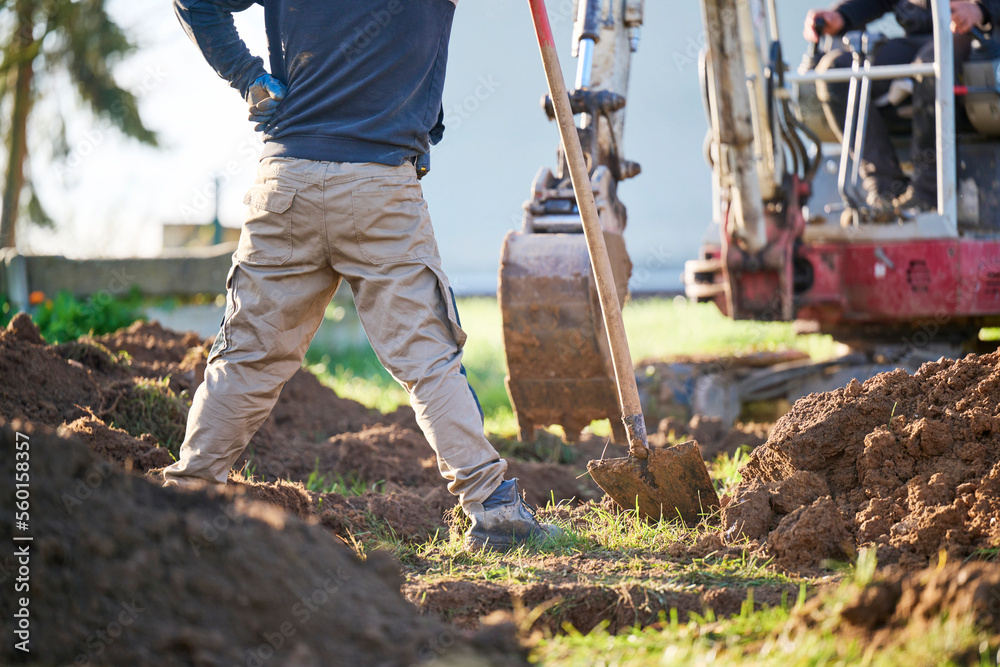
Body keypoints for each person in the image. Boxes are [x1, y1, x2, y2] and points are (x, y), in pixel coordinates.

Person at [162, 0, 559, 552]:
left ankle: (185, 498)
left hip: (288, 181)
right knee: (429, 359)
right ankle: (494, 510)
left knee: (247, 356)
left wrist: (247, 76)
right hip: (380, 187)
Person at [804, 0, 998, 217]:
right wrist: (842, 15)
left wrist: (981, 9)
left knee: (930, 66)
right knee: (834, 71)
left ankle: (927, 194)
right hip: (919, 42)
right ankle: (884, 192)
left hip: (977, 39)